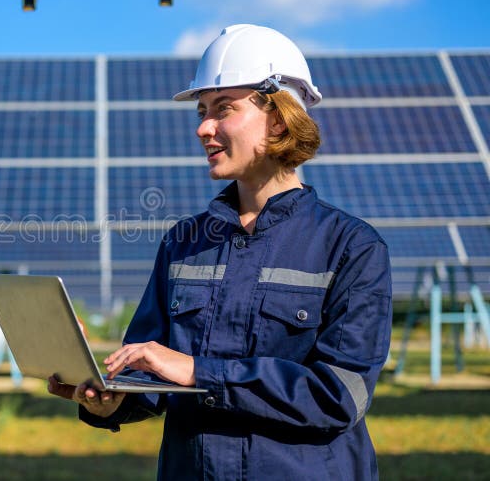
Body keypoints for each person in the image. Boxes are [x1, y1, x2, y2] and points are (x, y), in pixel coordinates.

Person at [48, 24, 392, 480]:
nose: (203, 128)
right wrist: (113, 398)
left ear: (280, 117)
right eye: (201, 112)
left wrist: (199, 372)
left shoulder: (351, 247)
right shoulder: (183, 242)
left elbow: (340, 395)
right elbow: (156, 372)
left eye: (224, 109)